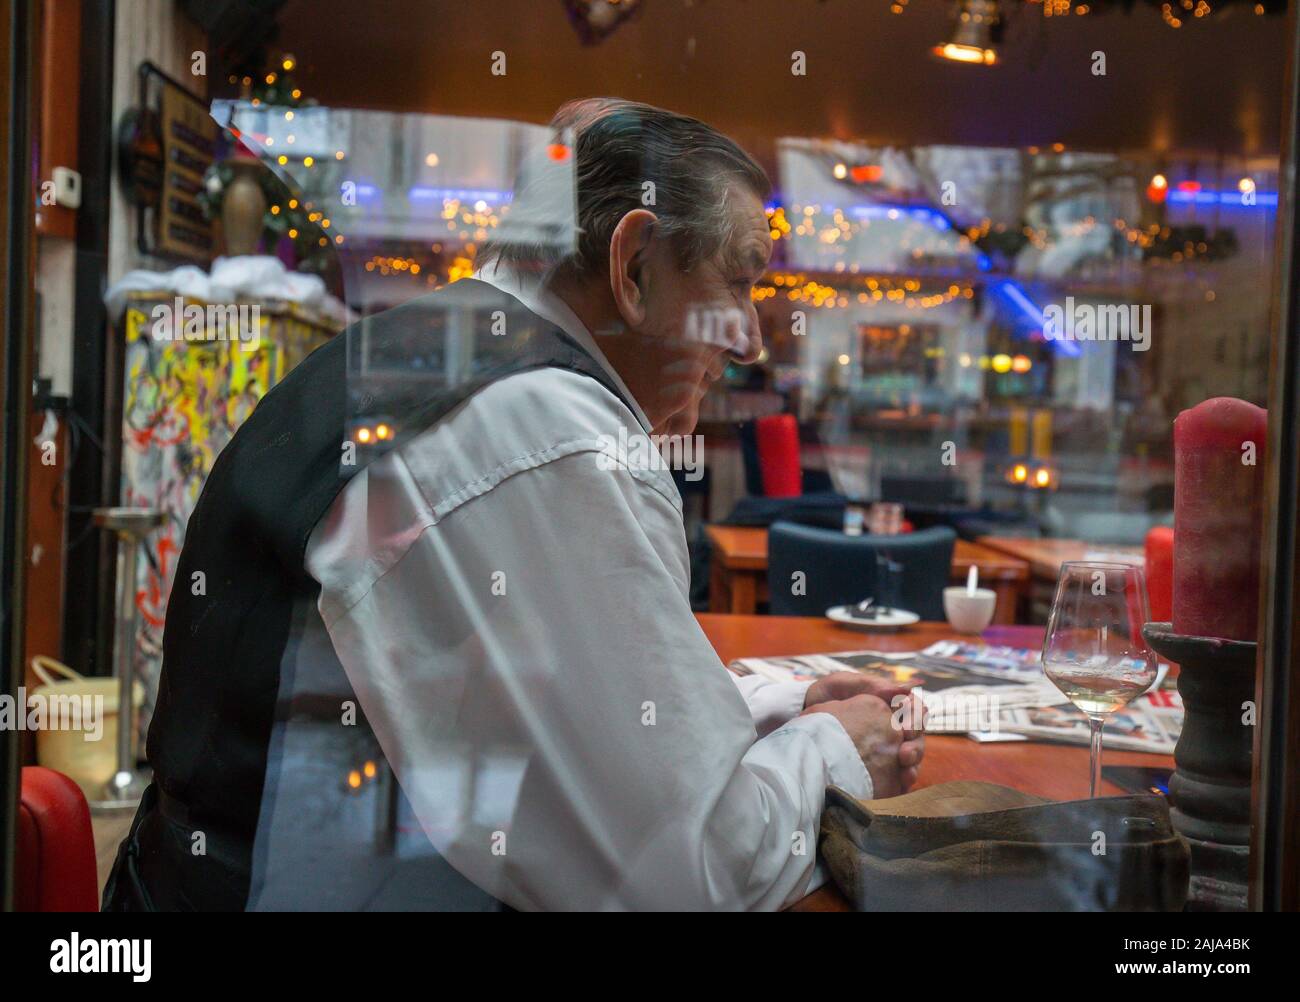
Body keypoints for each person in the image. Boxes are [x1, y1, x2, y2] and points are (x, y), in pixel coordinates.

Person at [104, 98, 923, 912]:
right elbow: (693, 874)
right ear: (634, 266)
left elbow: (539, 714)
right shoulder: (552, 430)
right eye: (738, 284)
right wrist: (840, 750)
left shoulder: (437, 356)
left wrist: (775, 709)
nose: (751, 337)